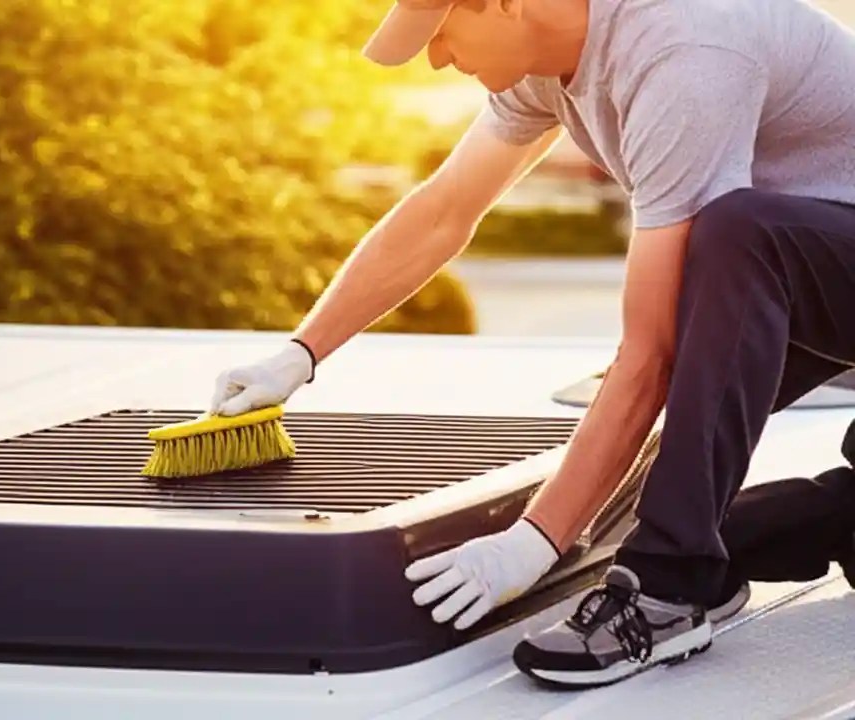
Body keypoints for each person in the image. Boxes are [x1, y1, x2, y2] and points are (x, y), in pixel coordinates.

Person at [208, 0, 855, 688]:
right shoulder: (545, 58)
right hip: (821, 272)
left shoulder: (682, 52)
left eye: (441, 33)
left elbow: (652, 354)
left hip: (794, 261)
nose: (435, 58)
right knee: (667, 461)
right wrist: (299, 353)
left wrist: (533, 542)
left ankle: (672, 587)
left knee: (732, 239)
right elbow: (444, 209)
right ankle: (726, 545)